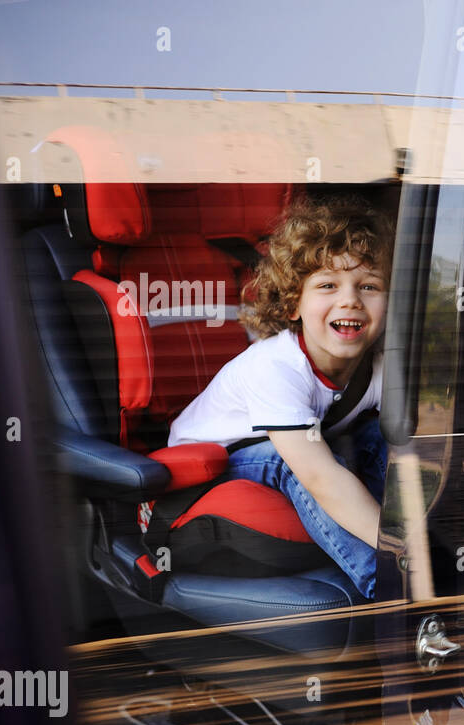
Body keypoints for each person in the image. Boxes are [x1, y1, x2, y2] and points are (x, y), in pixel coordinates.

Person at [168, 194, 392, 598]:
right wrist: (403, 550)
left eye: (369, 286)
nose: (350, 299)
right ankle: (386, 583)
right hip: (210, 467)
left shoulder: (377, 365)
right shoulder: (275, 366)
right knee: (298, 461)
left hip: (293, 449)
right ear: (293, 305)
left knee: (385, 433)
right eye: (327, 285)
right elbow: (319, 476)